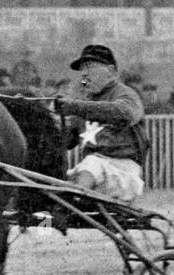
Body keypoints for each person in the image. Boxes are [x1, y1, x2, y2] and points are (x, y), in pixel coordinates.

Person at [55, 44, 147, 203]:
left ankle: (74, 200)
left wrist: (73, 107)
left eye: (90, 67)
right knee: (58, 180)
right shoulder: (85, 103)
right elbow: (65, 141)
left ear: (111, 71)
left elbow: (125, 113)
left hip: (123, 172)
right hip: (95, 175)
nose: (84, 74)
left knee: (91, 164)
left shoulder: (126, 93)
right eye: (82, 70)